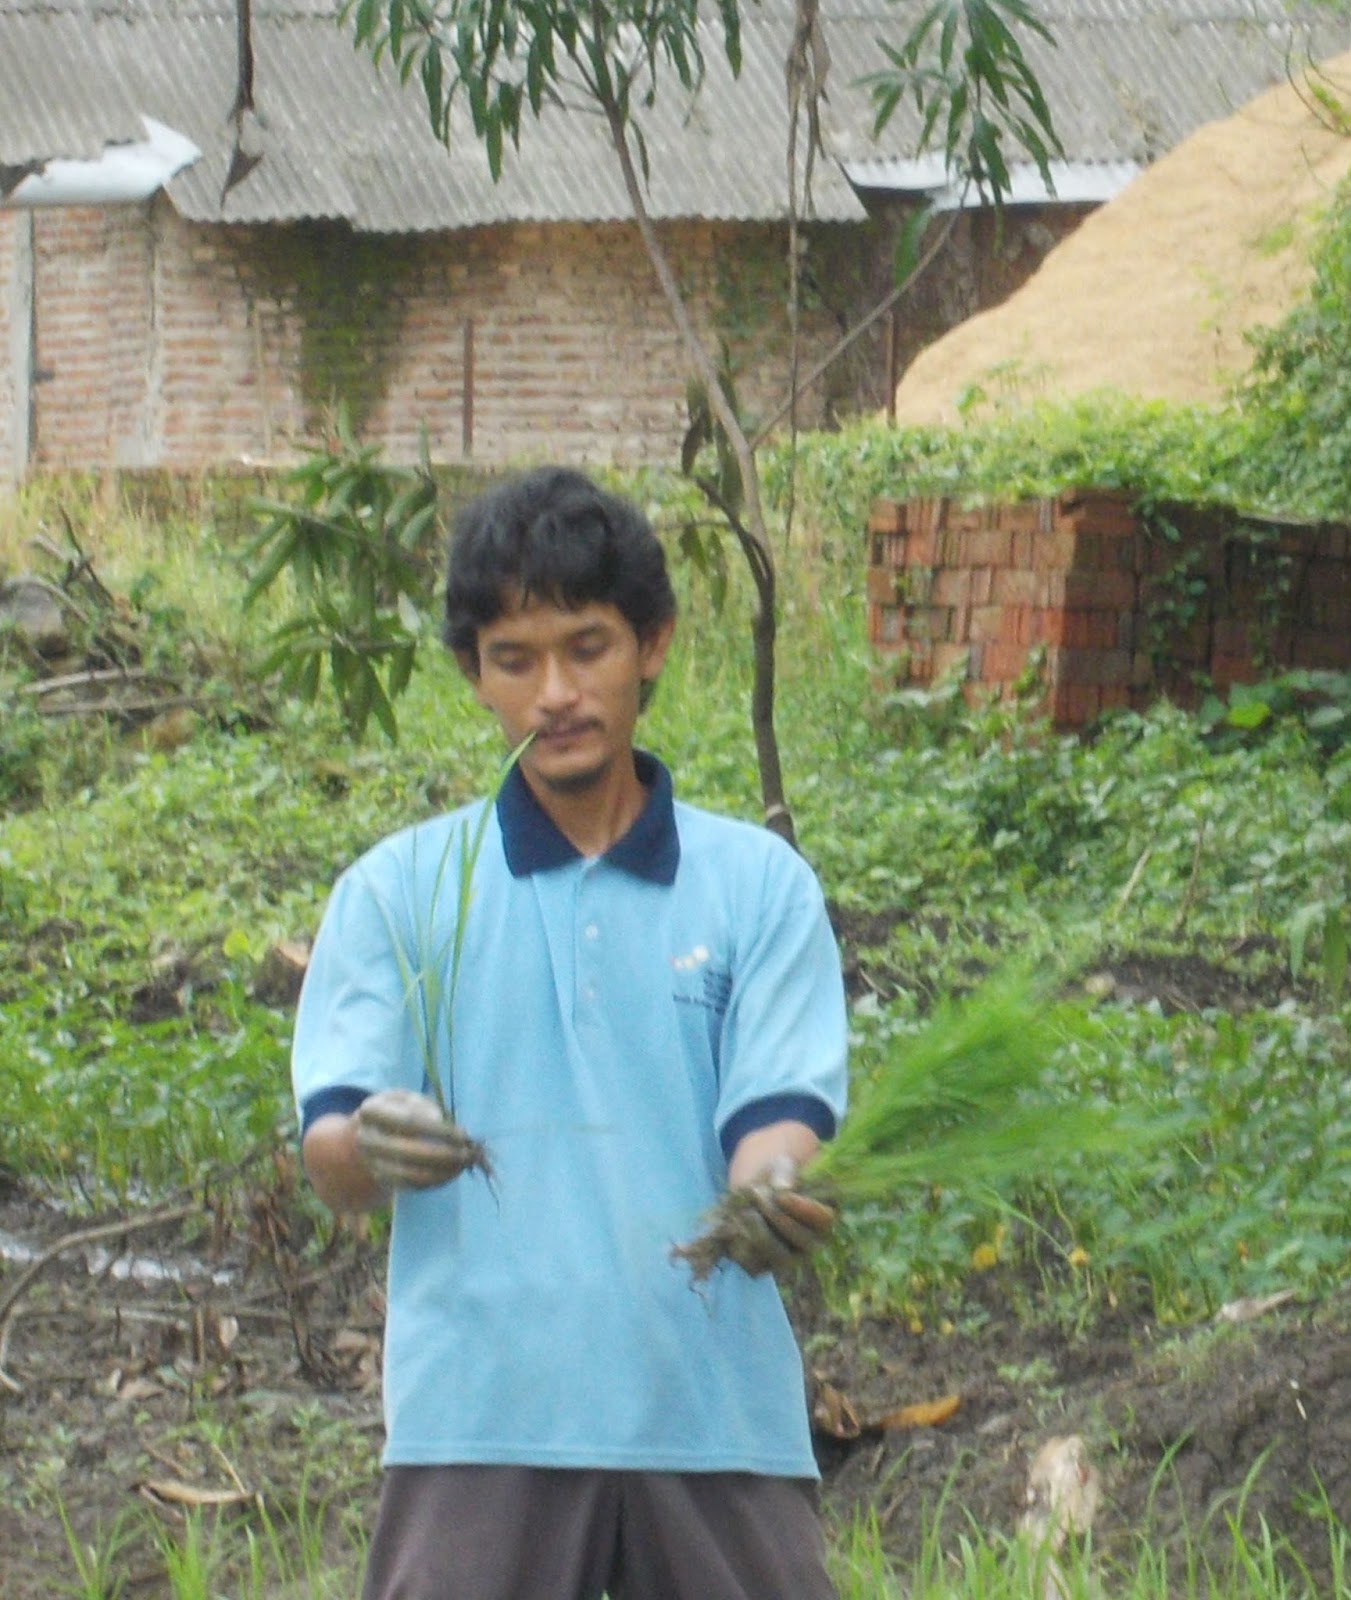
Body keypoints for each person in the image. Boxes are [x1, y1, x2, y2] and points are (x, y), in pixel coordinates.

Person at [292, 466, 849, 1600]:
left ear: (651, 643)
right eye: (514, 658)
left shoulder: (757, 886)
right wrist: (371, 1140)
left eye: (585, 647)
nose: (555, 692)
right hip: (478, 1422)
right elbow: (335, 1155)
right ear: (473, 673)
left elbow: (777, 1113)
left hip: (709, 1412)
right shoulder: (400, 891)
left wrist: (772, 1189)